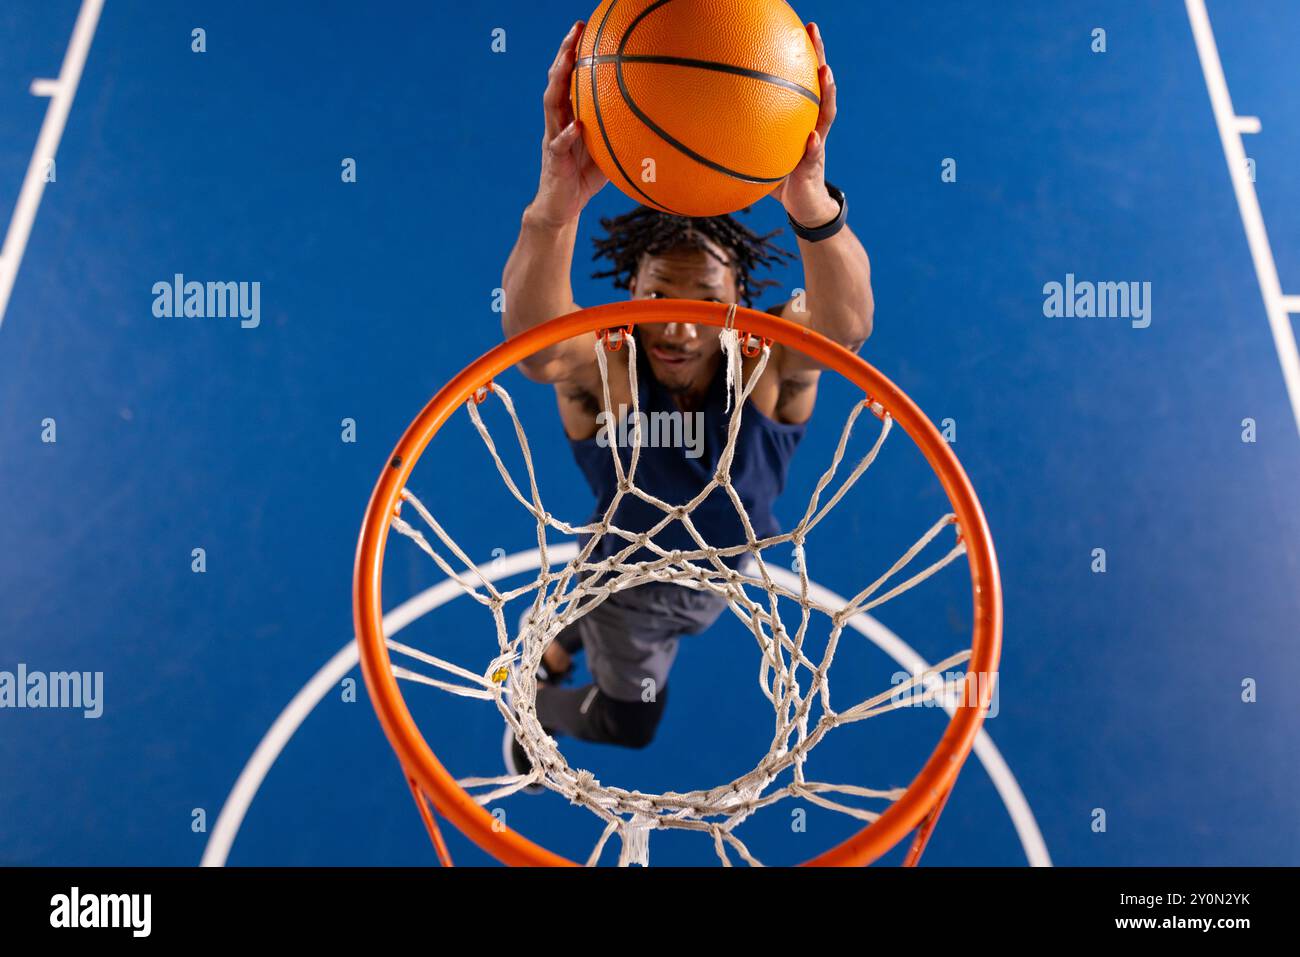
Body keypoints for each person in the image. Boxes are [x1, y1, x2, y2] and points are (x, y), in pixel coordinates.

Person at [499, 20, 873, 778]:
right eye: (655, 294)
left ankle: (562, 644)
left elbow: (845, 330)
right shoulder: (609, 367)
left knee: (644, 622)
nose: (675, 321)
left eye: (701, 297)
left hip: (713, 579)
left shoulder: (761, 366)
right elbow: (537, 350)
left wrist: (810, 204)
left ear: (740, 297)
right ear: (628, 293)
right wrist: (556, 209)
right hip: (626, 589)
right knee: (630, 723)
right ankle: (533, 707)